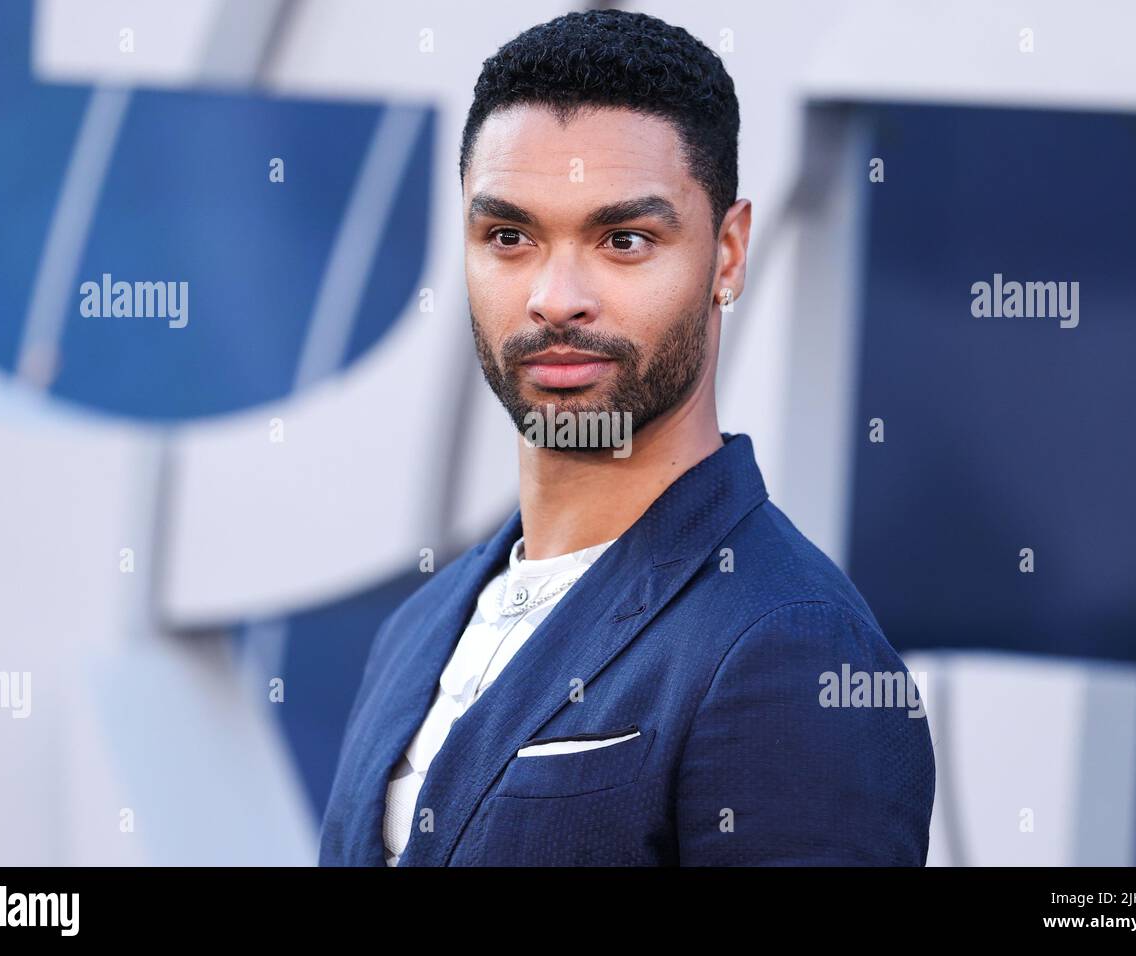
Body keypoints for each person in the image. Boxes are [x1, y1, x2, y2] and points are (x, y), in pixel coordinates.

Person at [319, 8, 934, 866]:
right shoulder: (420, 626)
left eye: (624, 240)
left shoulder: (793, 648)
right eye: (509, 236)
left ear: (726, 255)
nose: (556, 296)